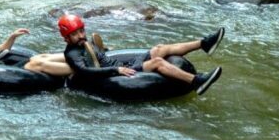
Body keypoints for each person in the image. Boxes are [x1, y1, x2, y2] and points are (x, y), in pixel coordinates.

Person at [58, 14, 224, 96]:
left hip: (119, 64)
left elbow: (100, 56)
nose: (80, 35)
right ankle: (196, 82)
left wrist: (105, 50)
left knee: (159, 49)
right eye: (75, 34)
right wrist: (117, 71)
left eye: (81, 31)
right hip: (119, 71)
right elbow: (85, 72)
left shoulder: (84, 43)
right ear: (66, 38)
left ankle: (204, 44)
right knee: (157, 62)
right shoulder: (72, 53)